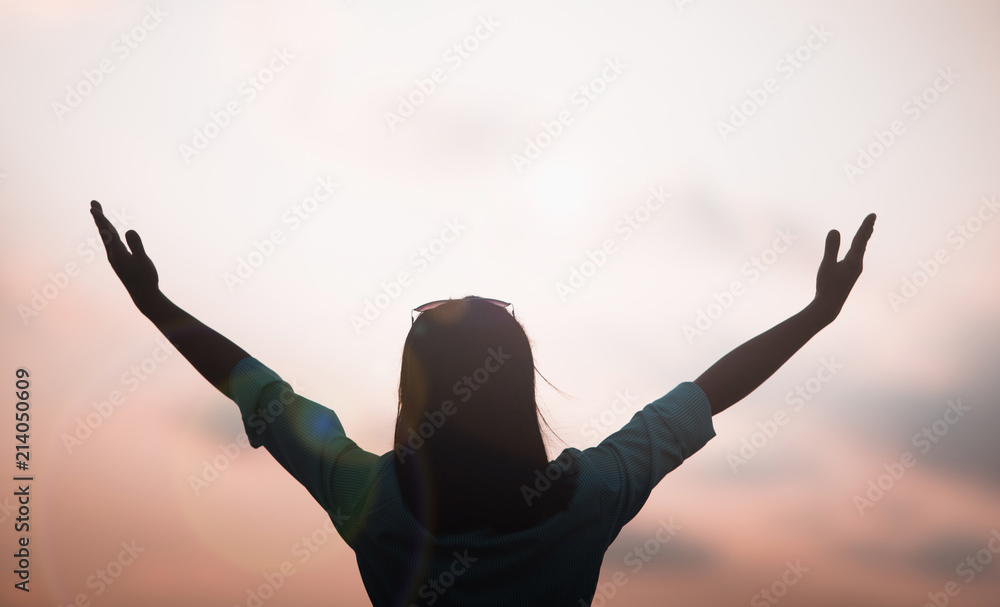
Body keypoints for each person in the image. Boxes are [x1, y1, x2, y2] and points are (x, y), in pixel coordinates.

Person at [89, 199, 876, 606]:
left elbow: (259, 388)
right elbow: (707, 393)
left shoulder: (373, 503)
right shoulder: (590, 497)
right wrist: (814, 315)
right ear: (519, 389)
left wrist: (158, 307)